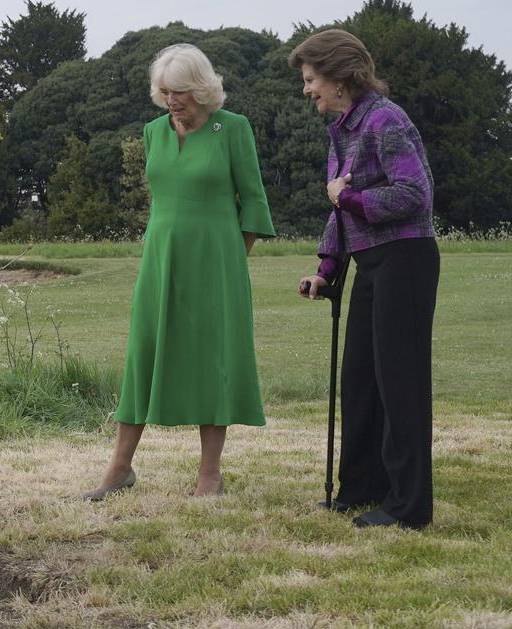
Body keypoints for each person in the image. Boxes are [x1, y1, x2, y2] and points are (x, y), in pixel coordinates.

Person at [86, 43, 275, 501]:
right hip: (160, 259)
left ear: (204, 90)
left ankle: (209, 475)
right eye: (166, 91)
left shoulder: (232, 129)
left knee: (214, 358)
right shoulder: (153, 132)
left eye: (182, 91)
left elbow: (252, 200)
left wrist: (232, 256)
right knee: (144, 352)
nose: (173, 100)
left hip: (218, 263)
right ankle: (119, 469)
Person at [292, 29, 438, 530]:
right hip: (372, 261)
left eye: (311, 79)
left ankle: (408, 507)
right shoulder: (344, 130)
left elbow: (413, 194)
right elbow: (342, 210)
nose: (307, 89)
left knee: (400, 384)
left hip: (406, 259)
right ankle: (362, 489)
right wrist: (328, 268)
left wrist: (347, 199)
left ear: (338, 76)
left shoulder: (384, 120)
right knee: (361, 380)